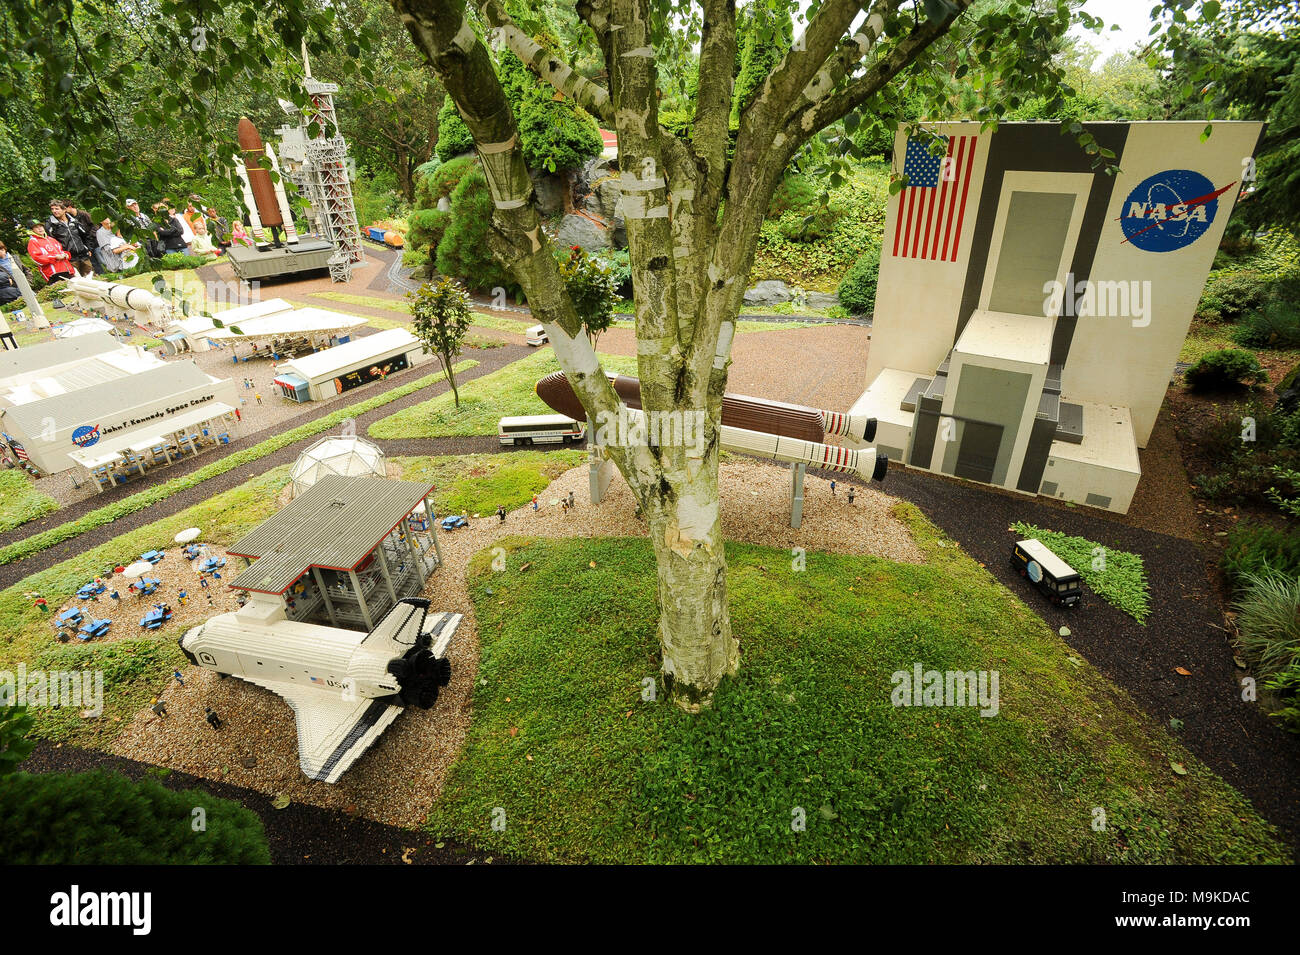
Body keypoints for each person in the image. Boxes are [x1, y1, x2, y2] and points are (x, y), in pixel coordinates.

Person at [46, 201, 92, 275]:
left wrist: (88, 248)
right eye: (52, 209)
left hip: (83, 255)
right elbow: (51, 242)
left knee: (91, 277)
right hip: (69, 258)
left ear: (64, 210)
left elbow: (85, 235)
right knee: (76, 280)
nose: (54, 211)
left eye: (57, 209)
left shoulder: (74, 221)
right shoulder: (51, 225)